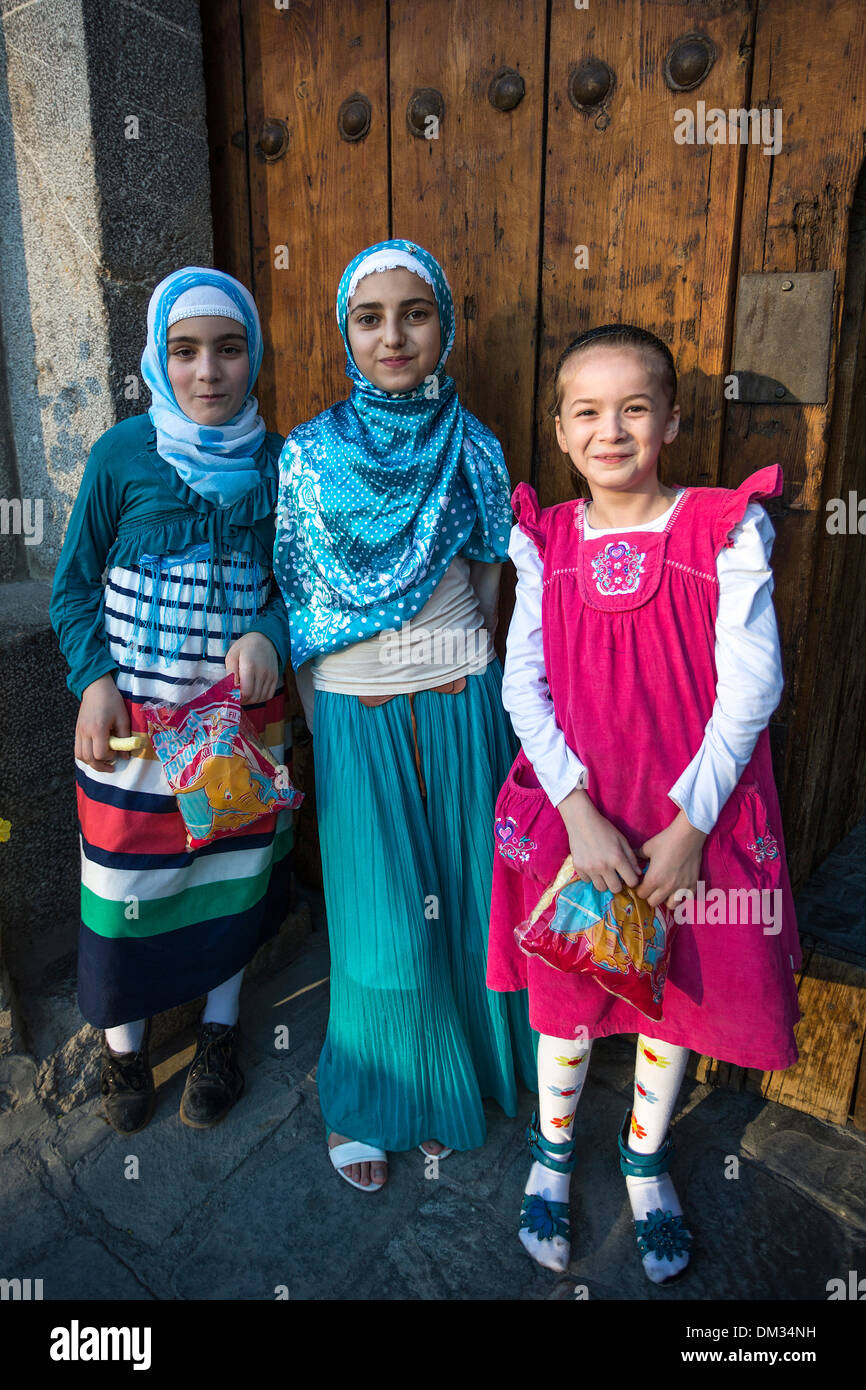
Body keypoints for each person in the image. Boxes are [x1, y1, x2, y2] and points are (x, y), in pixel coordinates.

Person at [487, 324, 801, 1282]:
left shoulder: (723, 527)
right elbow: (522, 685)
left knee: (674, 998)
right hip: (579, 810)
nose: (611, 430)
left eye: (634, 408)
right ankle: (550, 1161)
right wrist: (577, 811)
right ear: (560, 429)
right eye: (588, 411)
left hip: (688, 820)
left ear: (670, 419)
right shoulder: (546, 540)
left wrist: (689, 829)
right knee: (569, 993)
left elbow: (753, 683)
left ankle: (643, 1160)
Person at [273, 238, 536, 1192]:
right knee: (383, 923)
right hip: (356, 716)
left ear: (444, 326)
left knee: (470, 903)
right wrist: (325, 722)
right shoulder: (307, 455)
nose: (394, 335)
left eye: (414, 313)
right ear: (345, 332)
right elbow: (299, 599)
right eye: (369, 317)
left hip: (463, 709)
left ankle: (445, 1082)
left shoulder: (473, 443)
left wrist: (468, 678)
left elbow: (491, 577)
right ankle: (376, 1093)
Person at [50, 267, 291, 1135]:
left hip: (236, 732)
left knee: (228, 876)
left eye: (229, 350)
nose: (209, 372)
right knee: (123, 892)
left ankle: (221, 1034)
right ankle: (124, 1051)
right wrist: (94, 680)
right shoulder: (123, 455)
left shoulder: (276, 464)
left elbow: (295, 584)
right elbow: (73, 587)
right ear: (158, 357)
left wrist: (269, 629)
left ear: (253, 355)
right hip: (133, 739)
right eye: (184, 351)